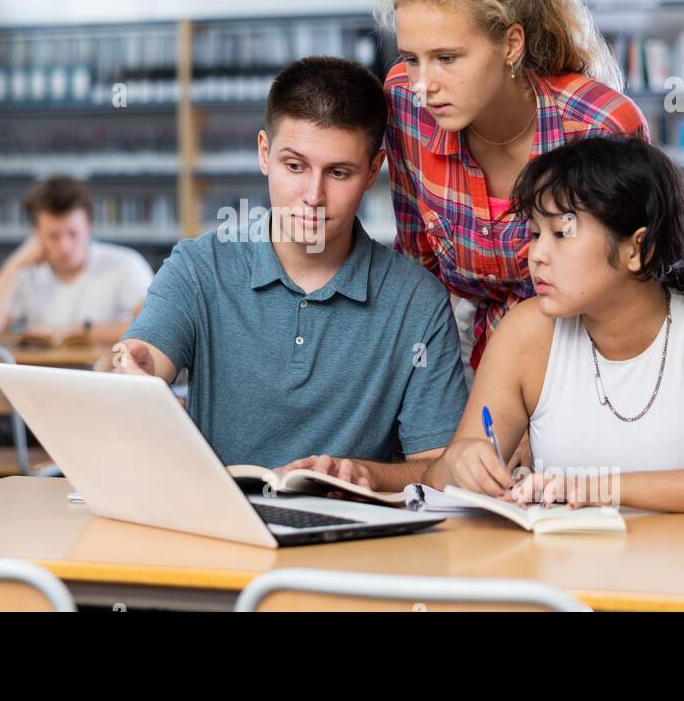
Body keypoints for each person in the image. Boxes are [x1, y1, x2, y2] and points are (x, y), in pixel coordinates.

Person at [105, 56, 468, 492]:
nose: (312, 197)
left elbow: (437, 465)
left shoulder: (418, 302)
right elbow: (135, 365)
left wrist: (368, 473)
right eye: (294, 166)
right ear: (264, 153)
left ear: (373, 171)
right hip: (215, 527)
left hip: (348, 541)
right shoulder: (199, 268)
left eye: (338, 173)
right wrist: (123, 371)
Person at [423, 137, 684, 513]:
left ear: (638, 249)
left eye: (560, 234)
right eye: (535, 233)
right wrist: (460, 464)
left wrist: (600, 488)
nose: (535, 255)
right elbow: (441, 479)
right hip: (562, 571)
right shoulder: (525, 332)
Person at [382, 0, 649, 375]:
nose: (423, 84)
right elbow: (418, 261)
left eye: (447, 58)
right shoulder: (404, 102)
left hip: (587, 356)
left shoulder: (600, 126)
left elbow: (629, 289)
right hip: (461, 347)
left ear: (510, 44)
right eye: (412, 58)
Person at [0, 175, 154, 347]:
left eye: (73, 234)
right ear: (36, 233)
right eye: (53, 236)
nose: (65, 247)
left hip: (105, 377)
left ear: (89, 226)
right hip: (41, 380)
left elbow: (155, 327)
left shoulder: (124, 264)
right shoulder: (26, 270)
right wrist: (15, 263)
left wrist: (77, 330)